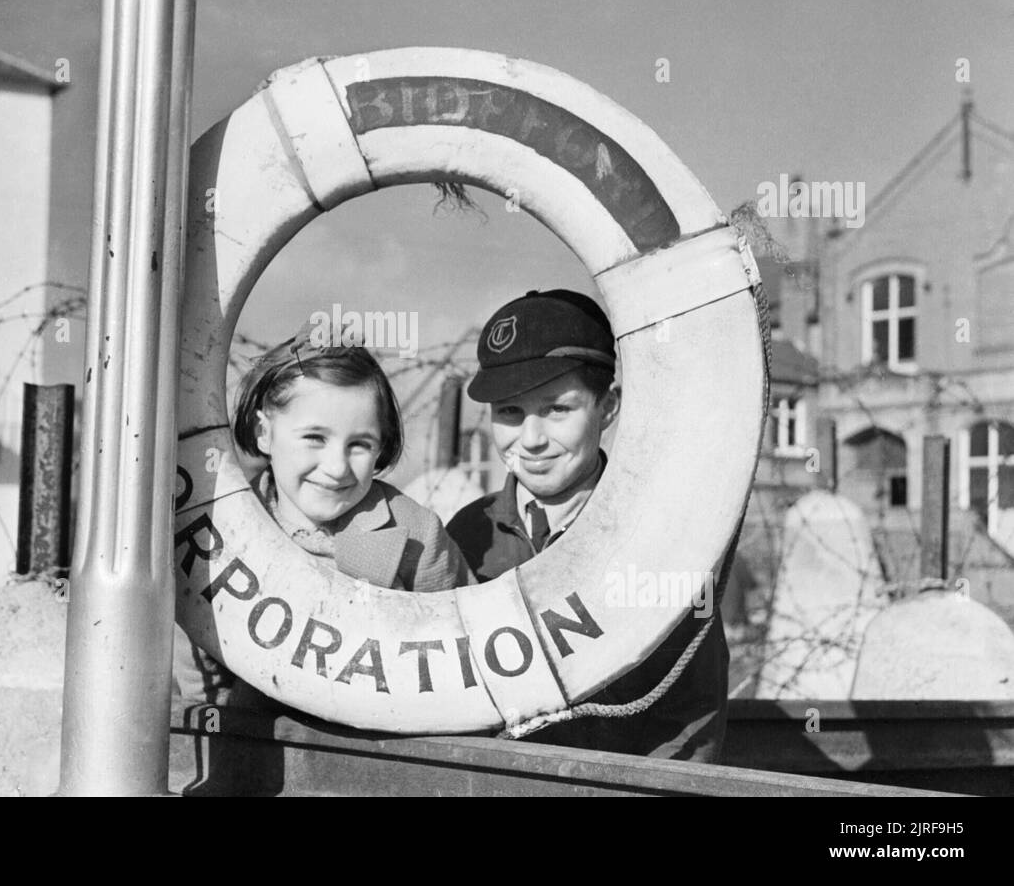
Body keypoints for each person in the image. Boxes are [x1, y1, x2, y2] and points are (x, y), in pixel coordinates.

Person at [446, 289, 729, 762]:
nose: (531, 440)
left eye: (557, 409)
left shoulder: (658, 542)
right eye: (510, 412)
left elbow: (689, 720)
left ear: (609, 407)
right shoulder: (465, 535)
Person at [174, 332, 472, 704]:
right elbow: (199, 662)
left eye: (359, 444)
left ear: (382, 444)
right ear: (264, 433)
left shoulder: (417, 535)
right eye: (315, 438)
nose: (336, 468)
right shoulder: (223, 530)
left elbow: (465, 654)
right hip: (255, 742)